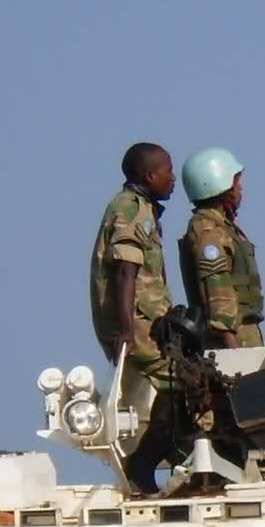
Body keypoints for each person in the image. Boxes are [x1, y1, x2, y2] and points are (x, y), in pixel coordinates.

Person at [89, 142, 176, 493]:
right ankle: (144, 464)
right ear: (149, 175)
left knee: (178, 390)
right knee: (186, 390)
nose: (173, 178)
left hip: (147, 321)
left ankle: (153, 462)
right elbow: (125, 270)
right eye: (167, 171)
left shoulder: (139, 207)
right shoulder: (132, 208)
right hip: (140, 325)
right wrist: (126, 329)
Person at [177, 147, 265, 349]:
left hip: (244, 333)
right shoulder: (208, 231)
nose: (240, 188)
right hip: (232, 339)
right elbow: (218, 293)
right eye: (236, 182)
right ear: (221, 184)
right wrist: (234, 353)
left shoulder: (222, 226)